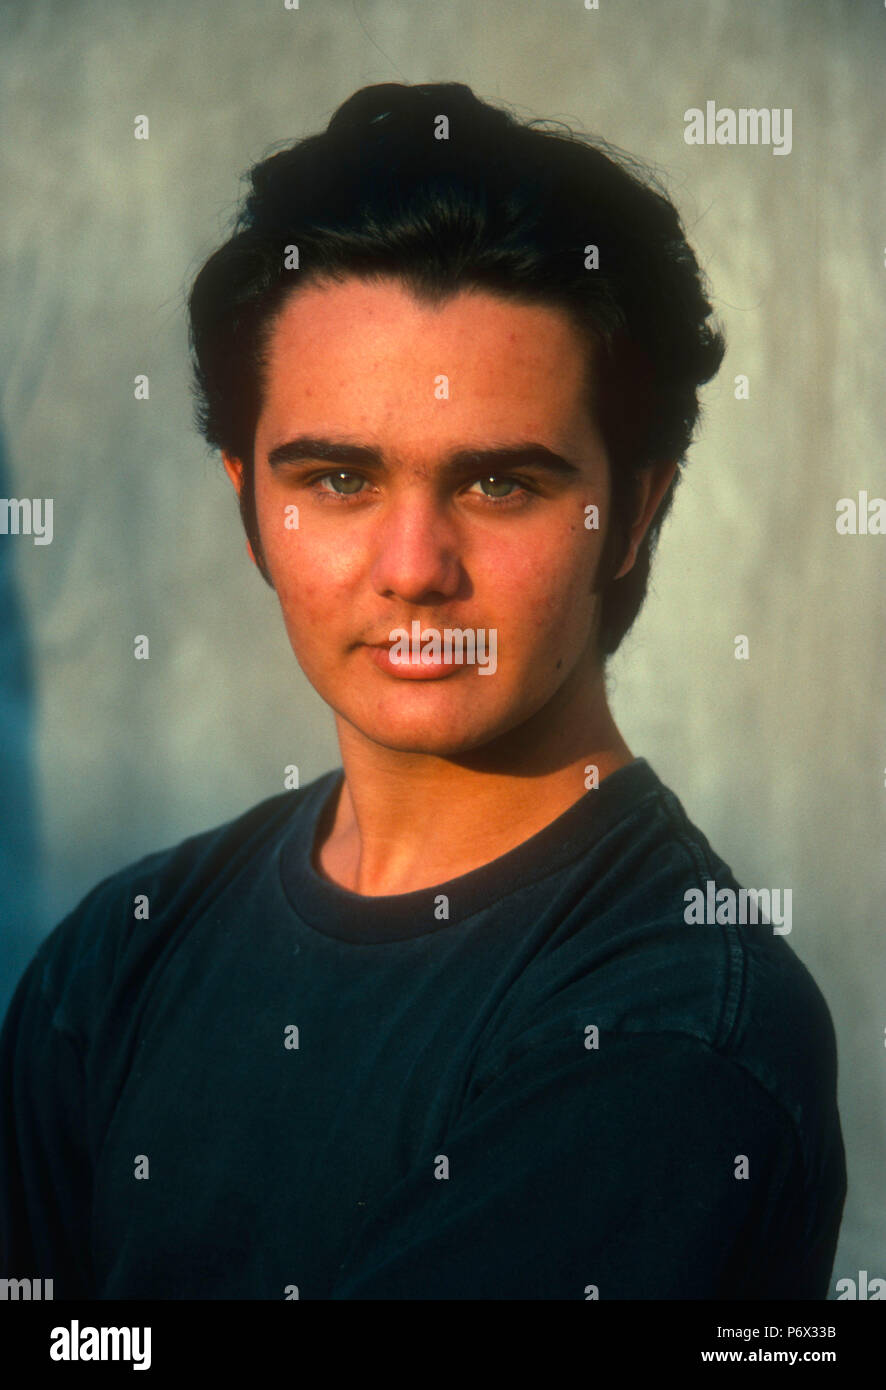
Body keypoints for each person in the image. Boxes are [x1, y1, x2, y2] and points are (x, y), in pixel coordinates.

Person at [0, 81, 845, 1299]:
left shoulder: (671, 1034)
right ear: (249, 501)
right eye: (338, 478)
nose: (413, 569)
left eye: (500, 485)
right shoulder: (115, 961)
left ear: (633, 516)